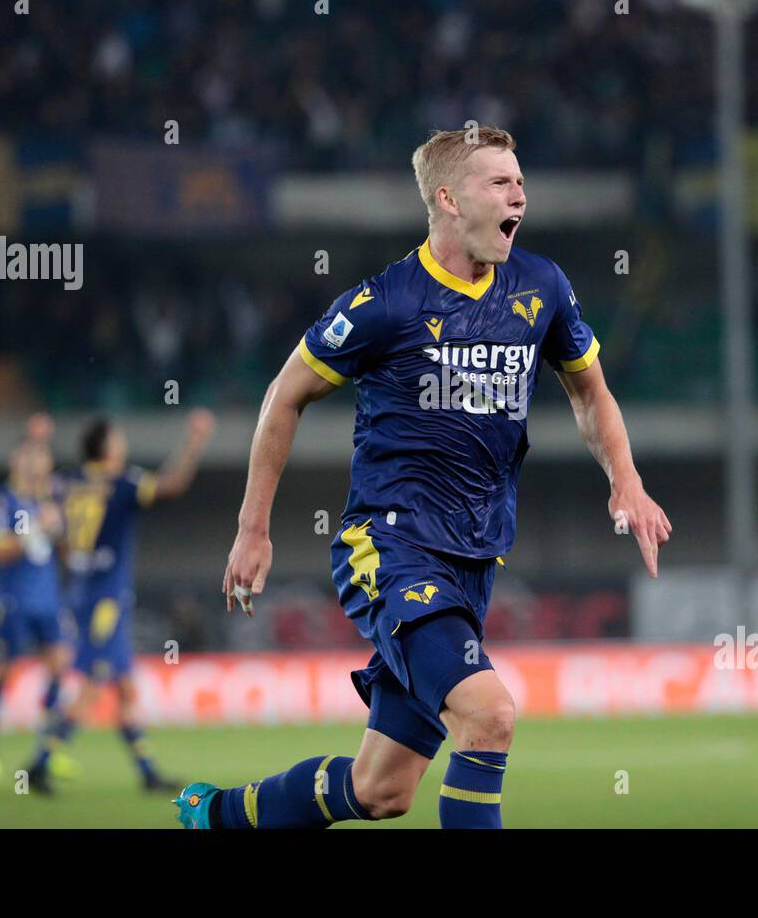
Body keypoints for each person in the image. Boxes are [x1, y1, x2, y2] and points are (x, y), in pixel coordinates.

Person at [175, 126, 671, 829]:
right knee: (491, 715)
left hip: (473, 563)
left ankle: (219, 815)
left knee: (380, 791)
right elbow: (284, 396)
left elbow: (589, 392)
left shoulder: (541, 287)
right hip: (389, 548)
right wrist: (252, 529)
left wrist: (626, 480)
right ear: (447, 197)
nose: (519, 194)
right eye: (499, 182)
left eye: (520, 181)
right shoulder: (386, 303)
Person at [30, 409, 215, 793]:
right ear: (108, 446)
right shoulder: (121, 482)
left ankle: (147, 772)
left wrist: (39, 442)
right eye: (118, 438)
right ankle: (41, 763)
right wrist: (195, 440)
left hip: (80, 591)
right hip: (105, 602)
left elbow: (42, 495)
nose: (123, 444)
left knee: (126, 688)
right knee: (93, 686)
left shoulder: (68, 482)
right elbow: (173, 484)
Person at [0, 414, 76, 781]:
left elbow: (63, 550)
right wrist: (34, 531)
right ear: (16, 461)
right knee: (3, 671)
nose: (37, 465)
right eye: (30, 458)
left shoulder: (48, 501)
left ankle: (47, 748)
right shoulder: (5, 501)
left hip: (47, 598)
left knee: (61, 666)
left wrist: (61, 532)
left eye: (42, 459)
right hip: (12, 599)